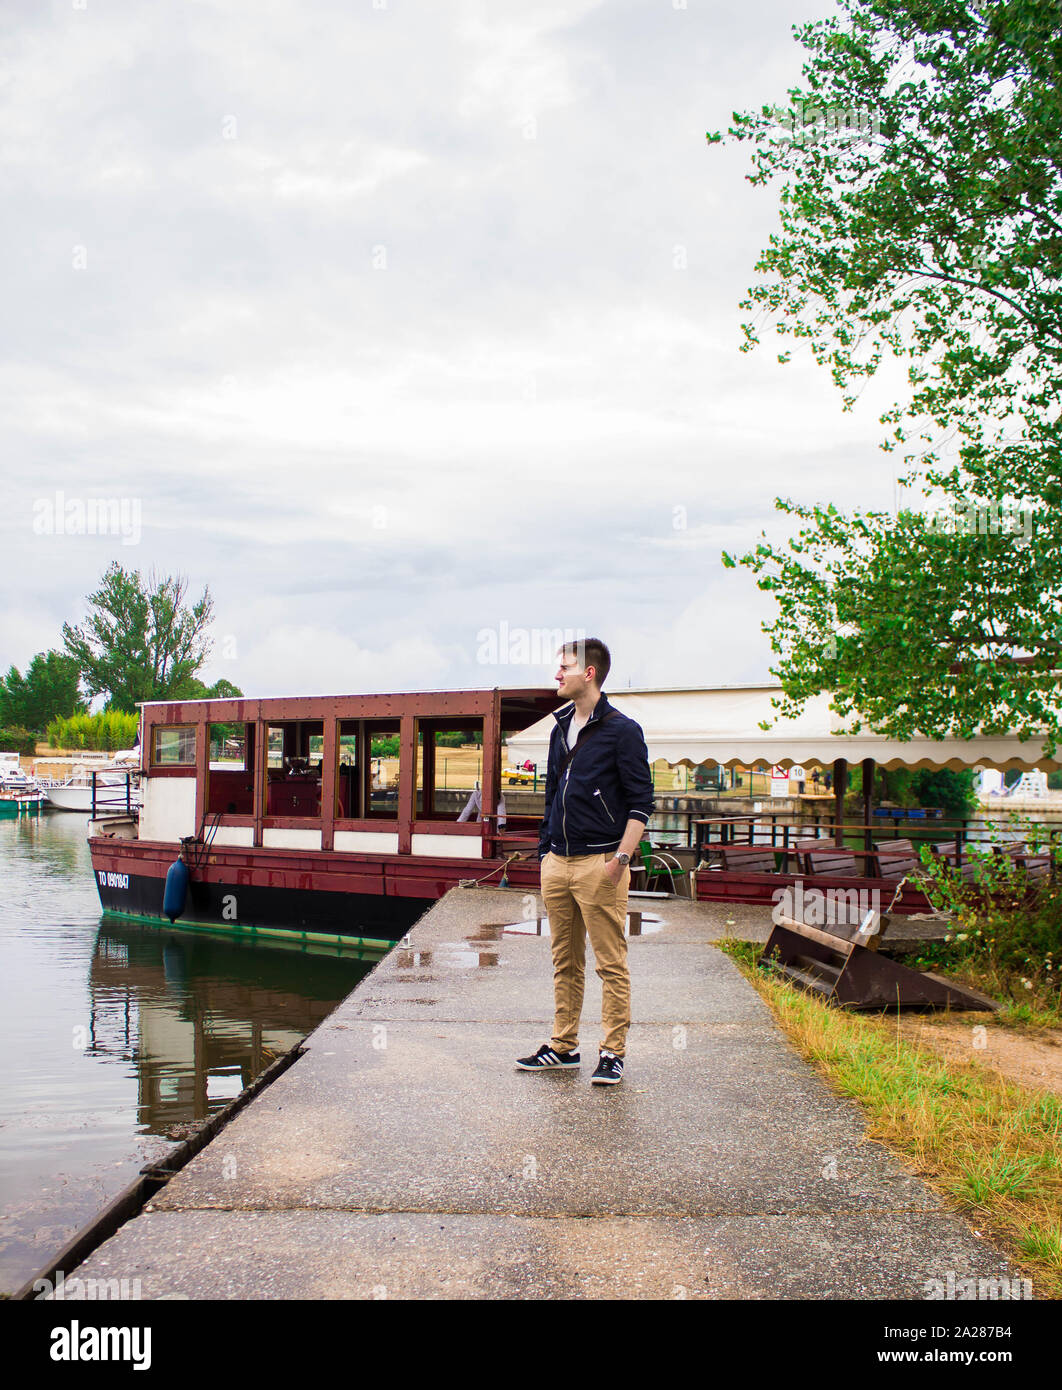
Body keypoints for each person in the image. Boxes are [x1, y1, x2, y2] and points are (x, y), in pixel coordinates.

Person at [515, 638, 654, 1086]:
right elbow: (552, 794)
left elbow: (640, 803)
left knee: (610, 962)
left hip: (601, 863)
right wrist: (544, 851)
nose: (557, 675)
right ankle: (563, 1046)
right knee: (564, 961)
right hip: (558, 862)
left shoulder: (622, 730)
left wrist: (620, 859)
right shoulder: (559, 729)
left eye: (564, 668)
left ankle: (612, 1052)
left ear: (589, 673)